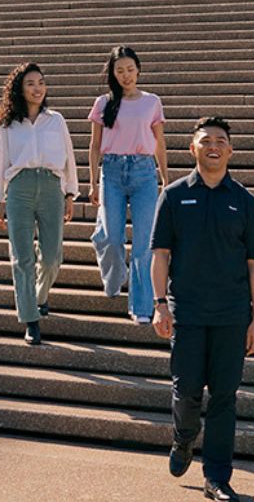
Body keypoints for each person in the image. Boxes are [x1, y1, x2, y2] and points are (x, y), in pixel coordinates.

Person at [151, 116, 254, 502]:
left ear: (230, 151)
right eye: (206, 140)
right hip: (187, 313)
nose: (213, 146)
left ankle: (216, 477)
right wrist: (159, 305)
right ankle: (183, 438)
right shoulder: (174, 195)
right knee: (186, 395)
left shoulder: (245, 202)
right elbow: (160, 255)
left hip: (232, 316)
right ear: (192, 148)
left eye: (220, 141)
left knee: (223, 397)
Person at [0, 61, 82, 345]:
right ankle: (30, 320)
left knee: (52, 256)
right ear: (19, 89)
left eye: (40, 82)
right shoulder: (9, 125)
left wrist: (69, 194)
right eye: (30, 83)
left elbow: (68, 155)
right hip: (19, 189)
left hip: (51, 187)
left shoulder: (56, 120)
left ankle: (39, 297)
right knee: (22, 258)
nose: (37, 88)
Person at [87, 46, 166, 325]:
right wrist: (93, 181)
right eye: (119, 70)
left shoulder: (152, 102)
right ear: (113, 73)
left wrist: (166, 178)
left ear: (138, 70)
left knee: (144, 243)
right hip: (112, 172)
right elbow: (95, 145)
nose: (126, 75)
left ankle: (142, 307)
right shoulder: (103, 103)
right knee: (110, 237)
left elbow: (159, 143)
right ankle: (113, 275)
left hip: (144, 172)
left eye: (130, 69)